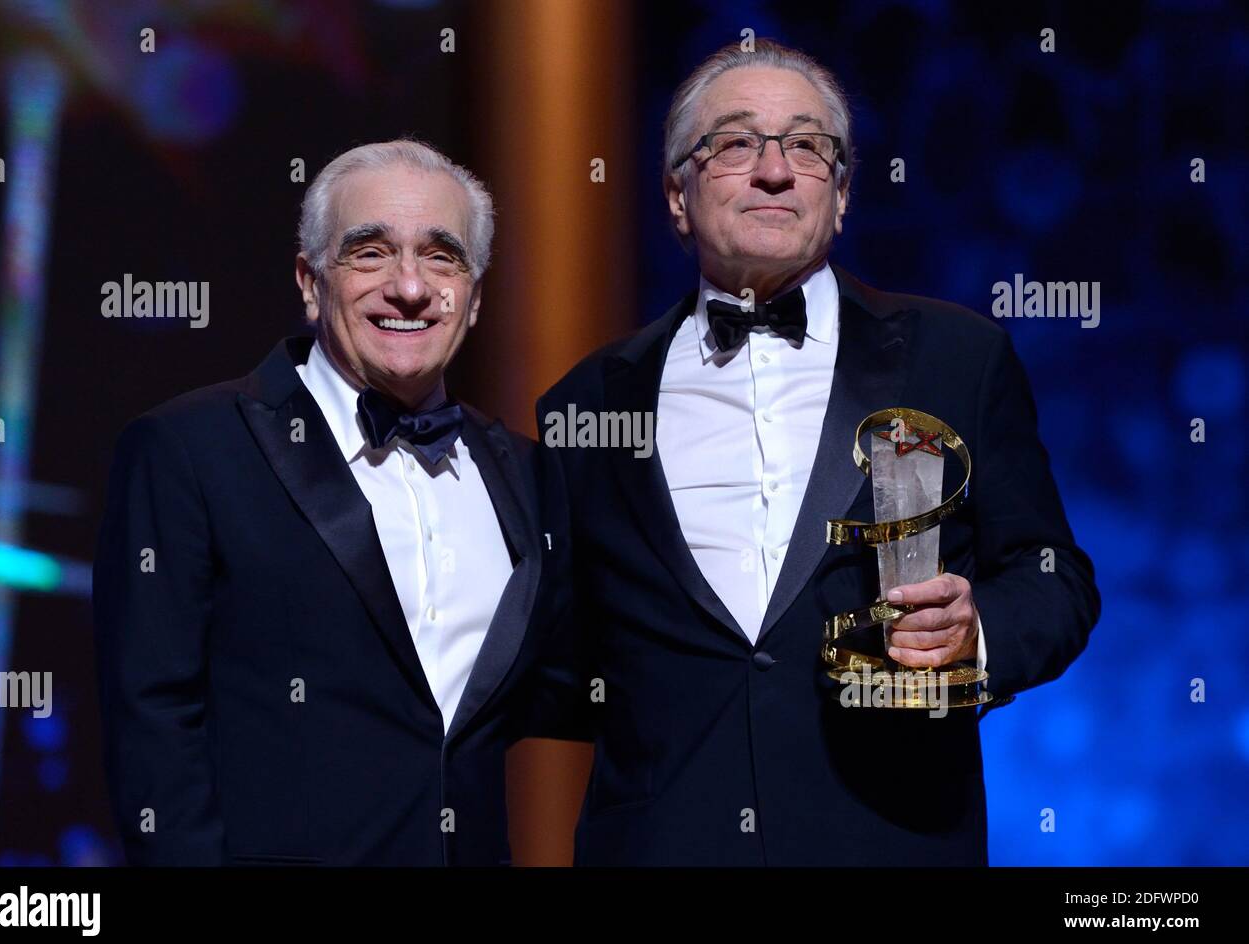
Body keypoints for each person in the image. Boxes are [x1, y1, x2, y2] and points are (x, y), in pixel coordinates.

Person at [532, 40, 1101, 865]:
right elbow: (557, 662)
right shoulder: (584, 405)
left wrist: (975, 635)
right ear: (677, 197)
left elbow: (1056, 578)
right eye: (733, 143)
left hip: (892, 841)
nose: (775, 170)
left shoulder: (956, 358)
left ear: (838, 196)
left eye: (807, 145)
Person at [94, 140, 562, 865]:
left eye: (441, 258)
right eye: (370, 253)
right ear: (311, 283)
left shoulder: (526, 476)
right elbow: (153, 731)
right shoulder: (189, 451)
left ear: (473, 298)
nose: (409, 287)